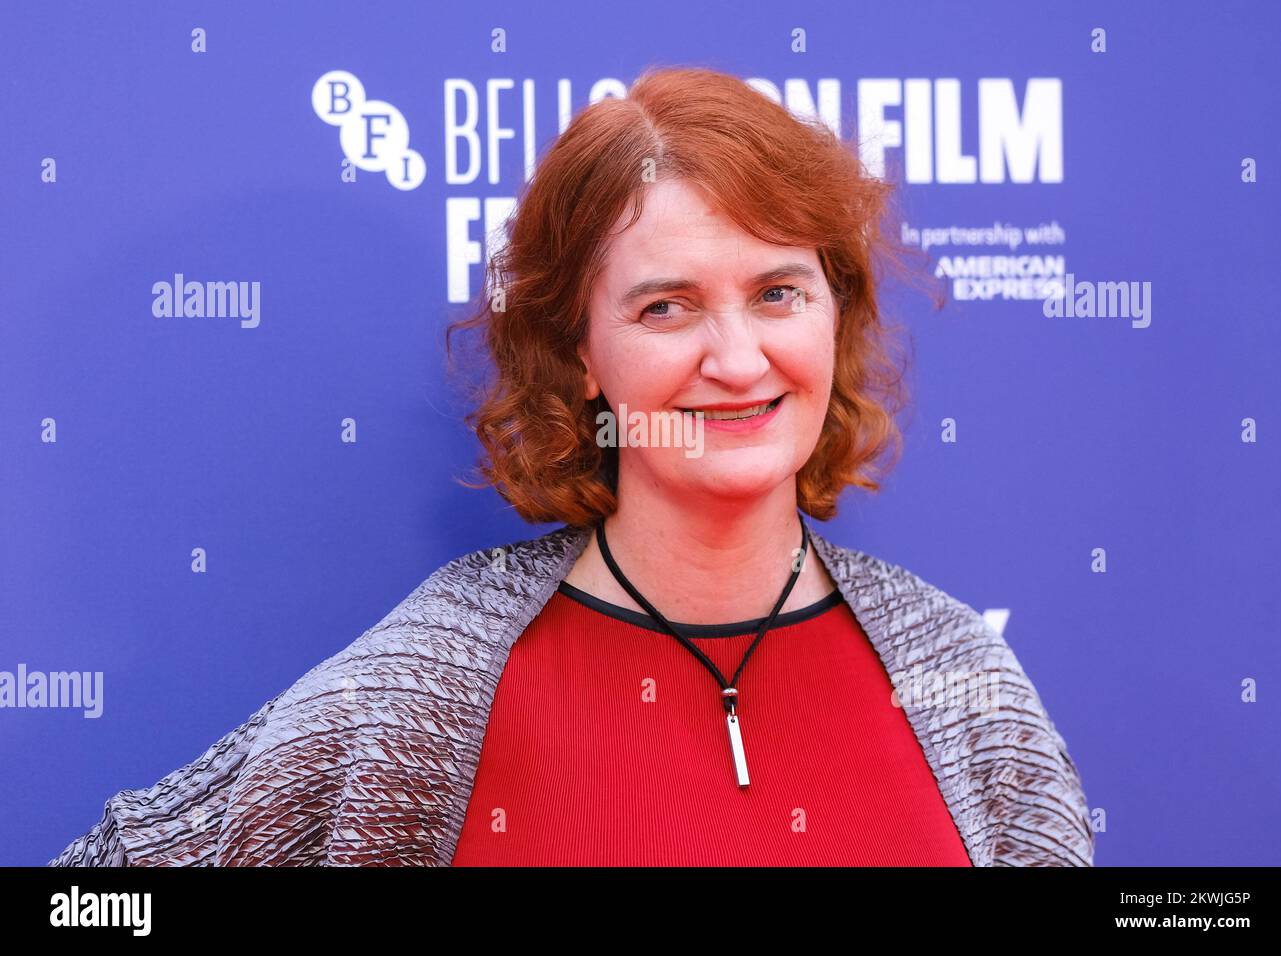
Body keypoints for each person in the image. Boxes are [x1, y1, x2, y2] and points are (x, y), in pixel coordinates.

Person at [49, 64, 1093, 867]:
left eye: (778, 291)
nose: (736, 360)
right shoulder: (434, 679)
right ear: (582, 354)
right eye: (665, 306)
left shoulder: (962, 681)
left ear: (836, 315)